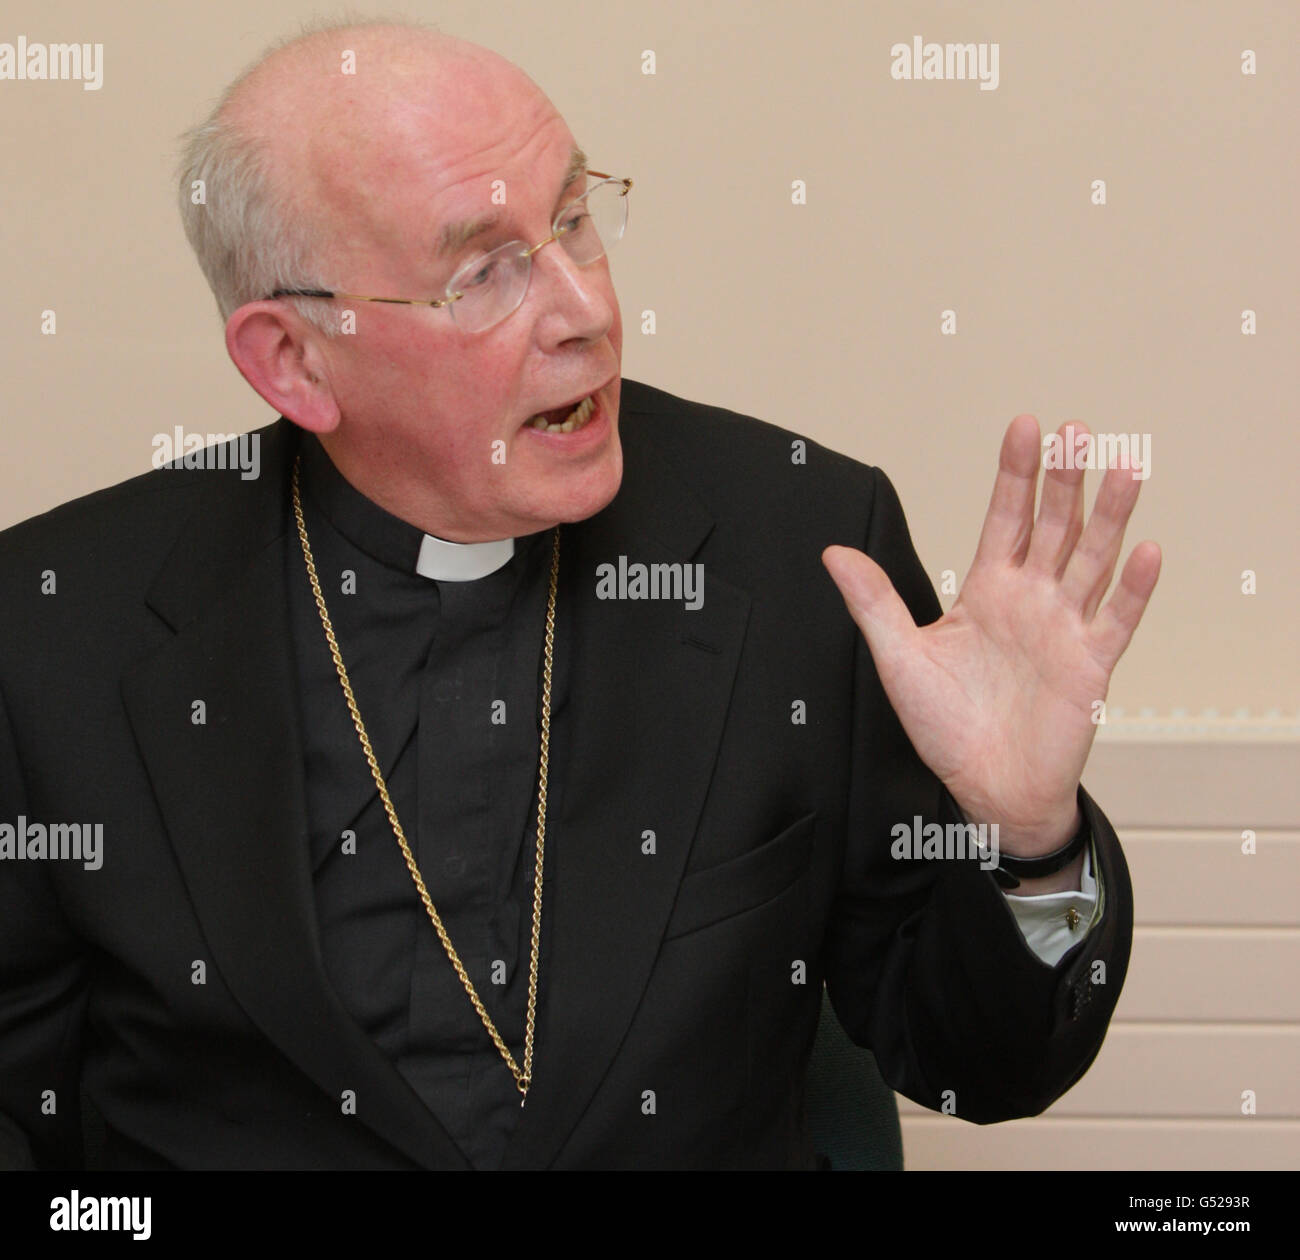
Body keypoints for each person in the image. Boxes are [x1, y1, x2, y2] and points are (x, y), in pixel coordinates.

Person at [0, 19, 1157, 1170]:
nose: (586, 311)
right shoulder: (52, 629)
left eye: (570, 221)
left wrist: (1025, 841)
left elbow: (978, 1061)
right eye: (482, 271)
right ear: (293, 359)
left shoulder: (798, 546)